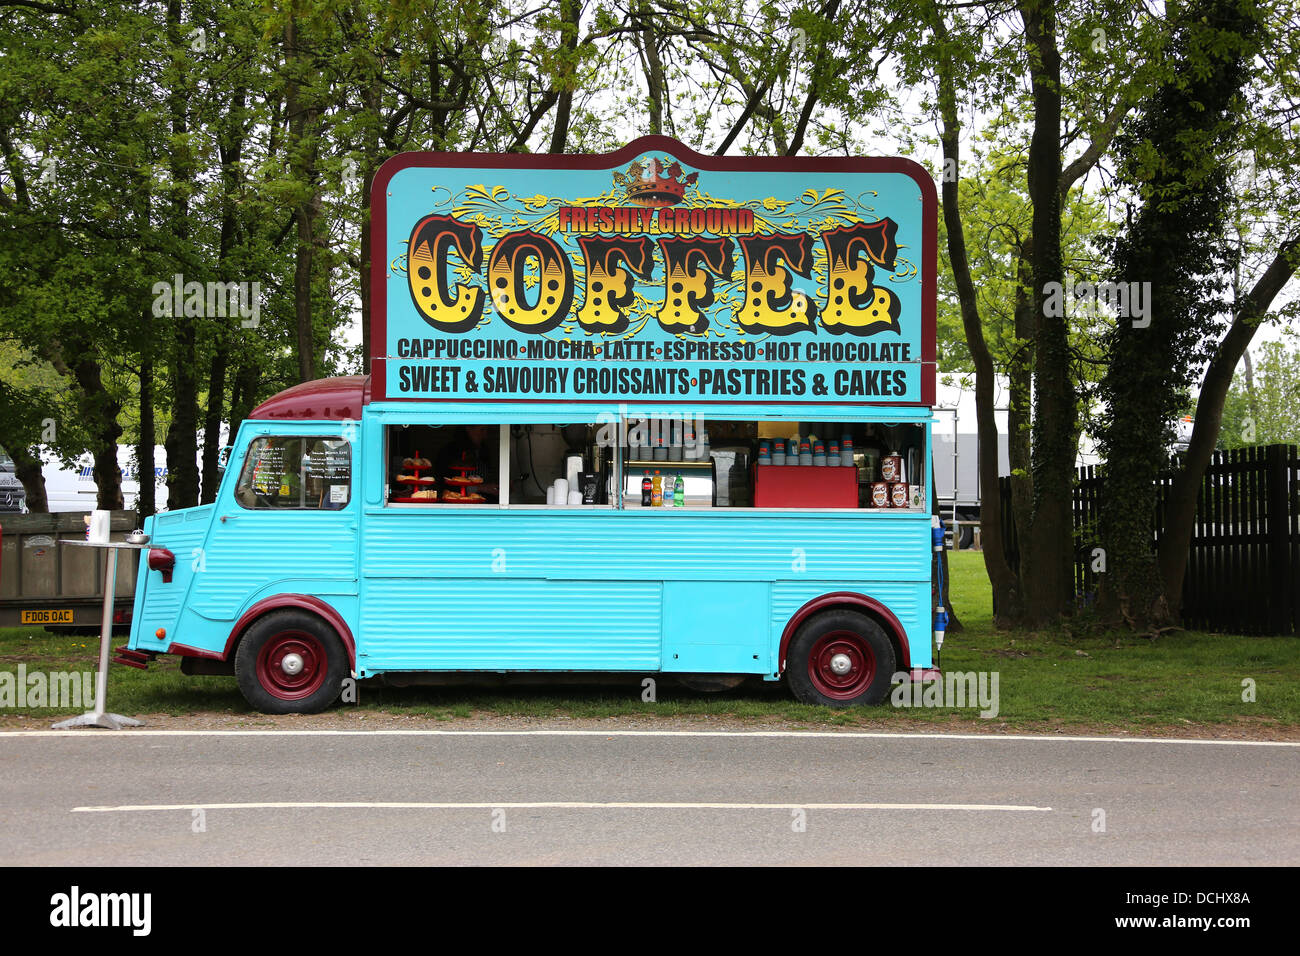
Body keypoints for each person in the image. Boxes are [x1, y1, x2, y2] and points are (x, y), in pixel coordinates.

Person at [434, 425, 499, 502]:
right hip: (457, 504)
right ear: (468, 429)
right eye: (482, 430)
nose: (485, 435)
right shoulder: (449, 452)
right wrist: (480, 488)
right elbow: (444, 484)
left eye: (486, 430)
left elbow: (488, 477)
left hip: (483, 504)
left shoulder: (484, 451)